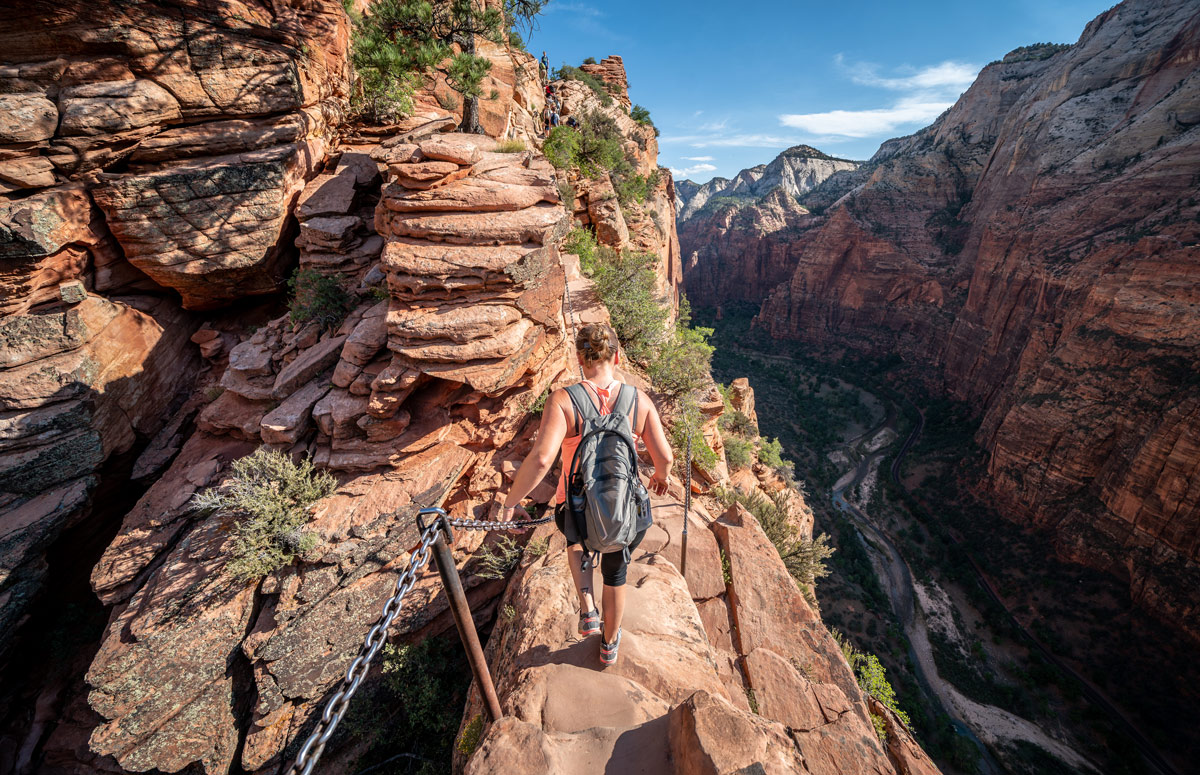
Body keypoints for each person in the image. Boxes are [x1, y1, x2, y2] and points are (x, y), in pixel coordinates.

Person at [497, 325, 673, 665]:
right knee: (616, 571)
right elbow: (664, 457)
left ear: (580, 360)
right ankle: (609, 645)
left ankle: (587, 608)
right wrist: (662, 478)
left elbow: (542, 459)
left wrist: (511, 502)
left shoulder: (563, 400)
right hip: (624, 510)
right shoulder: (639, 401)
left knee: (576, 542)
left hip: (574, 507)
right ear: (617, 356)